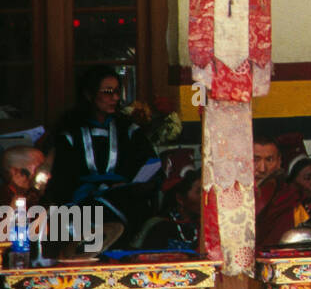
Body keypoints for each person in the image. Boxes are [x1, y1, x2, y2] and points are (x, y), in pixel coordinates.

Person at [46, 65, 160, 240]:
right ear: (89, 94)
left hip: (124, 199)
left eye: (116, 91)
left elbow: (150, 163)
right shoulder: (70, 133)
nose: (115, 97)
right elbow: (61, 178)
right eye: (107, 92)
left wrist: (130, 184)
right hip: (82, 203)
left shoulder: (128, 129)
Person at [136, 166, 202, 250]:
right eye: (198, 192)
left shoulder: (204, 225)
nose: (204, 197)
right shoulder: (158, 226)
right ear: (180, 198)